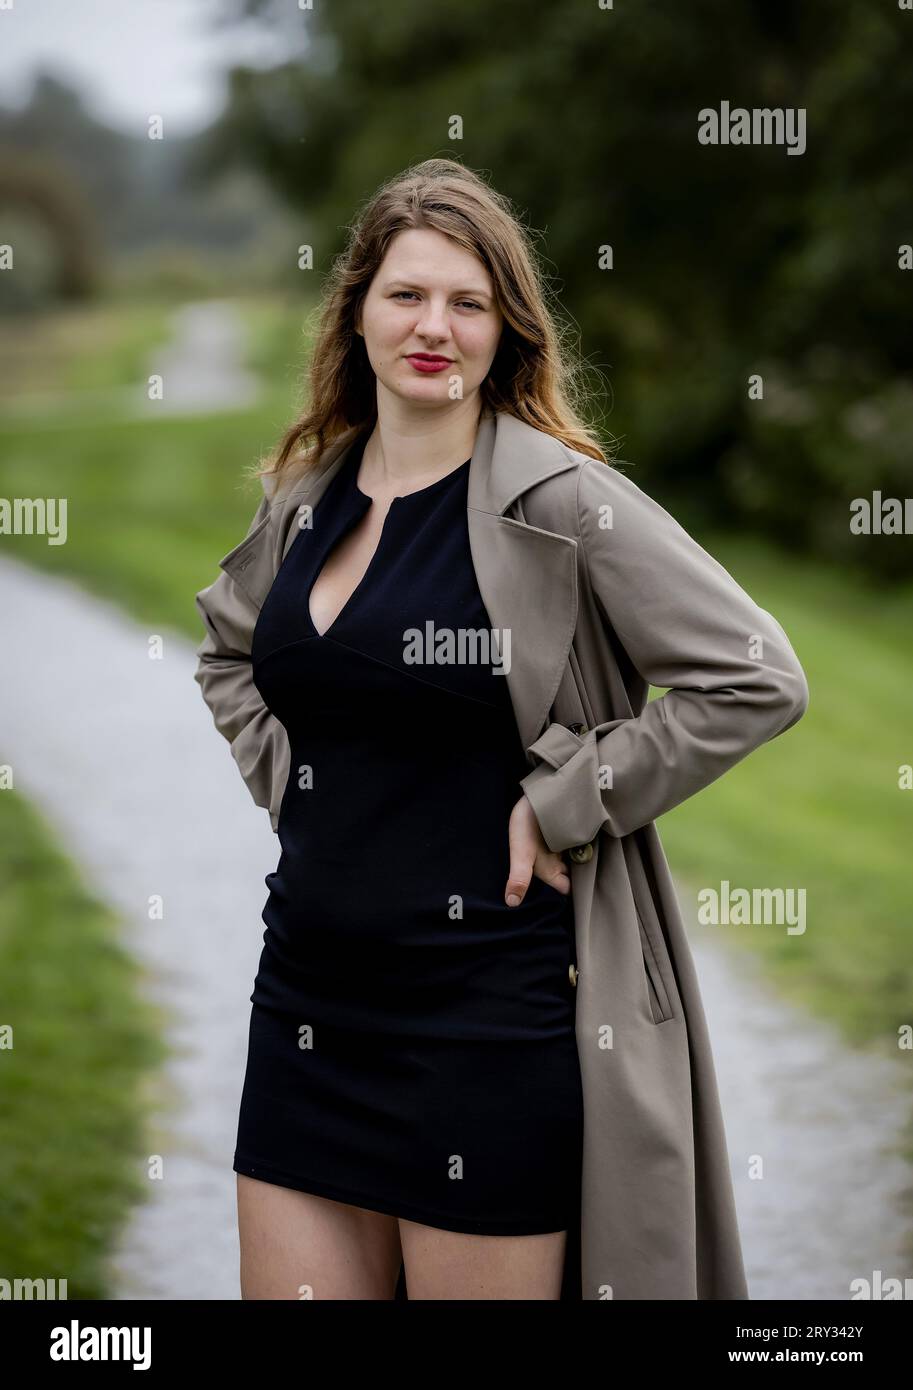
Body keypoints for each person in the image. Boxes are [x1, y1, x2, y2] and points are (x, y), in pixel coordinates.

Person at [193, 157, 808, 1300]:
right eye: (406, 294)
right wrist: (296, 783)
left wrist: (572, 797)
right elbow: (229, 652)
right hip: (307, 1012)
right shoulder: (305, 495)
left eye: (467, 302)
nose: (434, 326)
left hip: (484, 1026)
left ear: (505, 331)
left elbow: (758, 673)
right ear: (358, 314)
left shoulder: (563, 502)